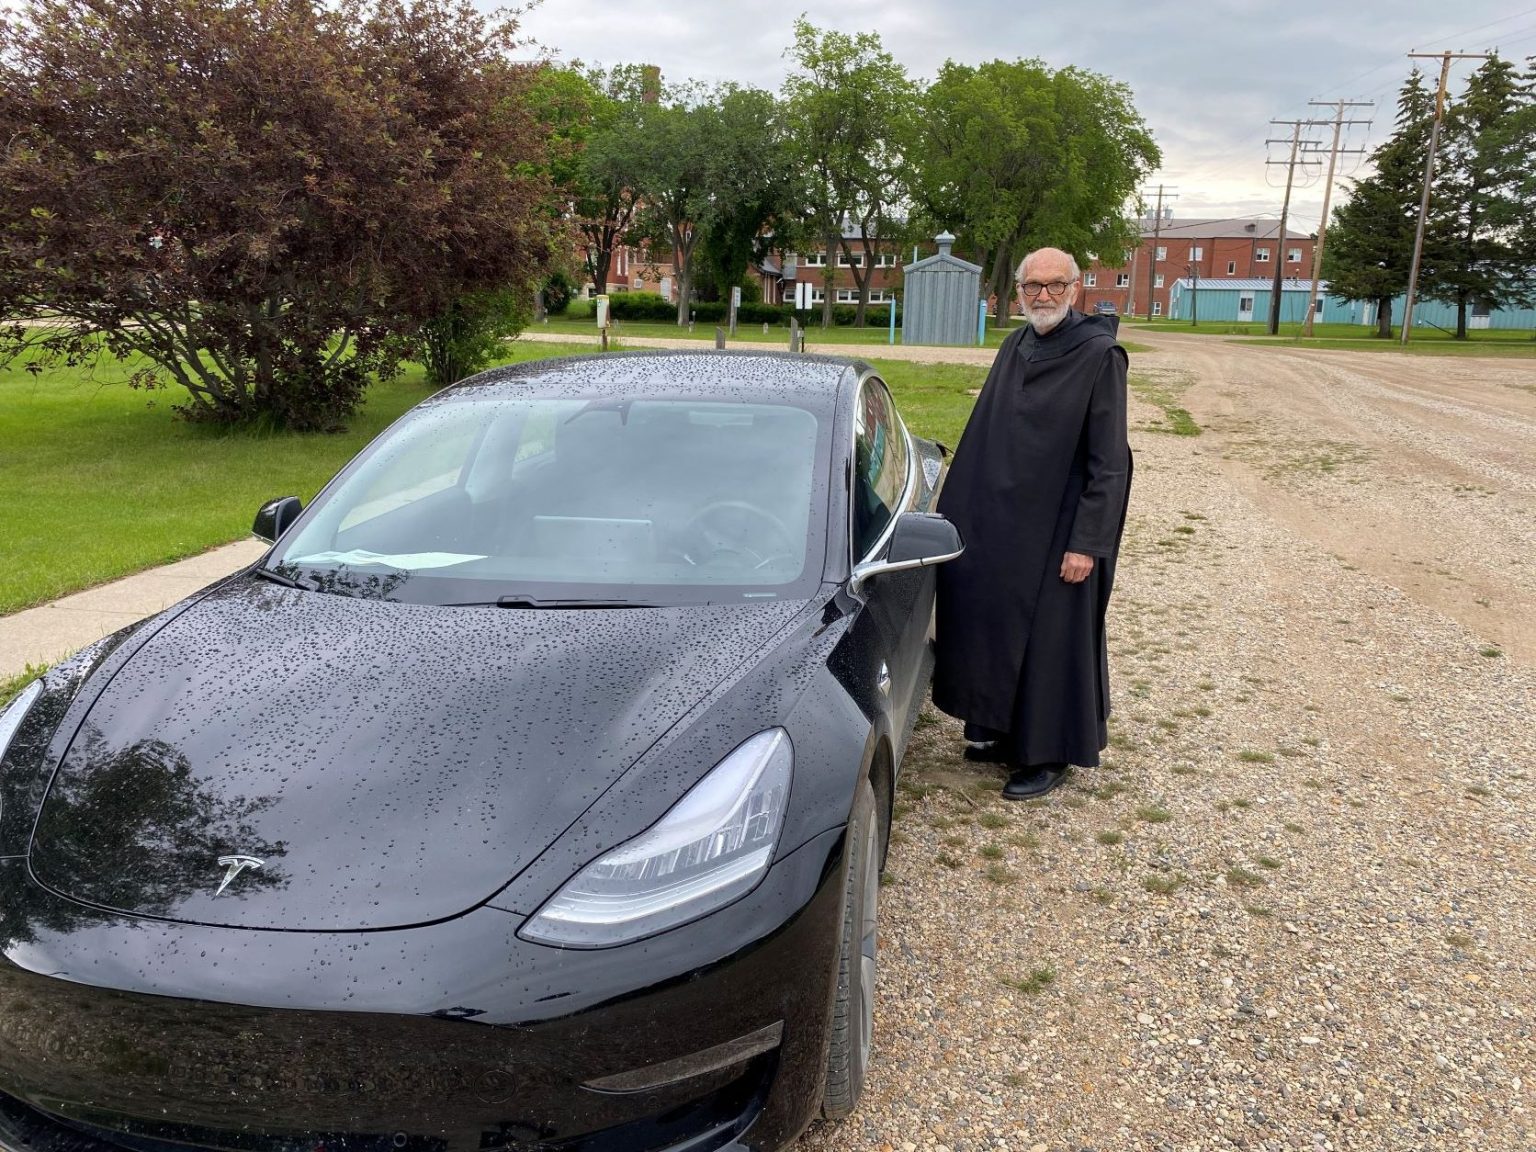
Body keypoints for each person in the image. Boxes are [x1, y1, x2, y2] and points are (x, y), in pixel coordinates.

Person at [932, 247, 1132, 800]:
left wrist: (1086, 542)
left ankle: (1047, 752)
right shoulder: (1015, 344)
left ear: (1076, 288)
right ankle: (995, 726)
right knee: (993, 623)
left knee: (1049, 640)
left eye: (1055, 286)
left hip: (1059, 528)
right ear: (1017, 291)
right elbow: (990, 429)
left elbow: (1109, 460)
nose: (1043, 296)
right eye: (1033, 287)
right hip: (1002, 521)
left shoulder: (1099, 355)